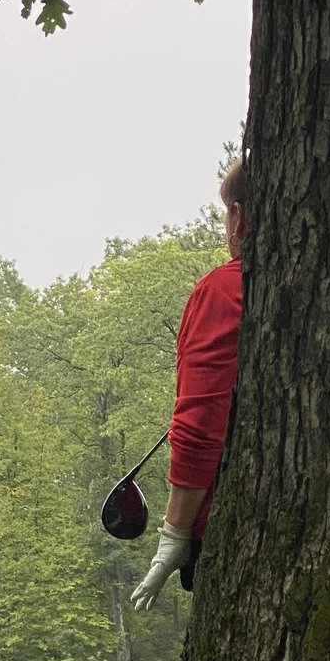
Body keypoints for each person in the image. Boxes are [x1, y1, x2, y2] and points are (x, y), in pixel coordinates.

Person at [132, 159, 245, 610]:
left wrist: (175, 533)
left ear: (239, 218)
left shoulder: (223, 290)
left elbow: (201, 421)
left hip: (234, 531)